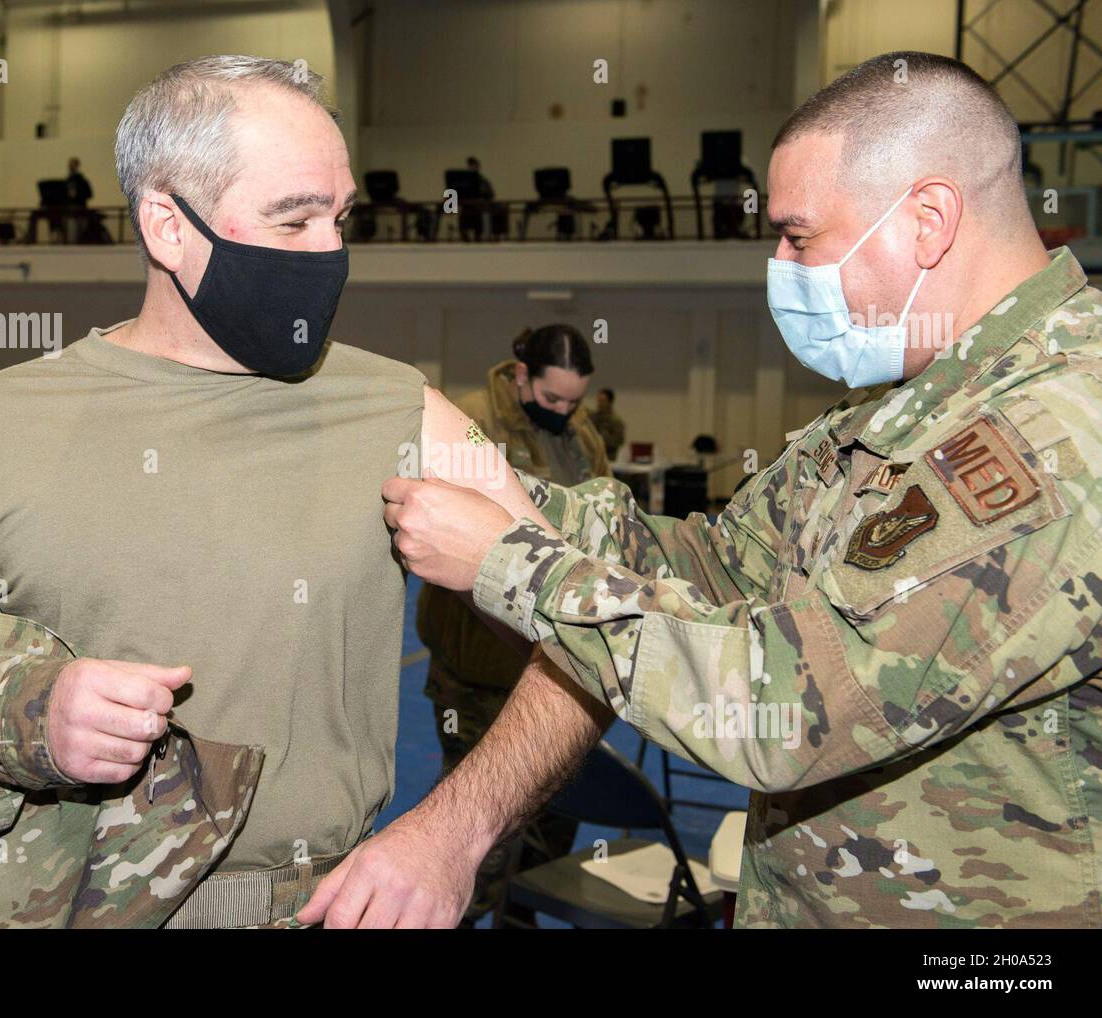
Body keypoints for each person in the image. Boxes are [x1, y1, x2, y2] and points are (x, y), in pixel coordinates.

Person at [0, 55, 608, 929]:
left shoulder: (397, 413)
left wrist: (456, 832)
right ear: (168, 225)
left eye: (340, 218)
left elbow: (597, 636)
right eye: (293, 221)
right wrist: (30, 715)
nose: (330, 254)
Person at [383, 51, 1102, 928]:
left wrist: (511, 566)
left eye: (800, 236)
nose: (780, 264)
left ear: (928, 220)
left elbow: (786, 708)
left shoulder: (1054, 437)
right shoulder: (905, 404)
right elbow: (714, 563)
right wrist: (491, 478)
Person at [415, 324, 609, 924]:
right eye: (553, 400)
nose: (564, 412)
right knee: (477, 845)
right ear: (521, 375)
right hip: (479, 669)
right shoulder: (468, 425)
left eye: (574, 402)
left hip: (560, 673)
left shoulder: (580, 437)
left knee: (552, 833)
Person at [589, 387, 626, 460]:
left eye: (603, 401)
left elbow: (619, 441)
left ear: (610, 402)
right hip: (592, 458)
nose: (600, 404)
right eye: (599, 400)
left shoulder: (615, 421)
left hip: (608, 458)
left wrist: (603, 436)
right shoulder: (592, 418)